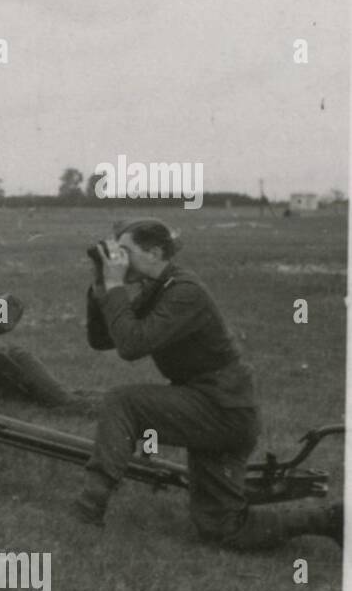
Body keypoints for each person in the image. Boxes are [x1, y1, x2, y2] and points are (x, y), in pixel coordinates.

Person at [72, 218, 341, 549]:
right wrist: (101, 285)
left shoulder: (184, 291)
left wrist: (115, 287)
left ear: (154, 253)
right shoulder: (160, 289)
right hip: (217, 409)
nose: (120, 259)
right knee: (222, 528)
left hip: (222, 409)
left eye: (125, 251)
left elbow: (131, 345)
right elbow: (103, 339)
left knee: (123, 402)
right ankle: (331, 520)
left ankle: (88, 509)